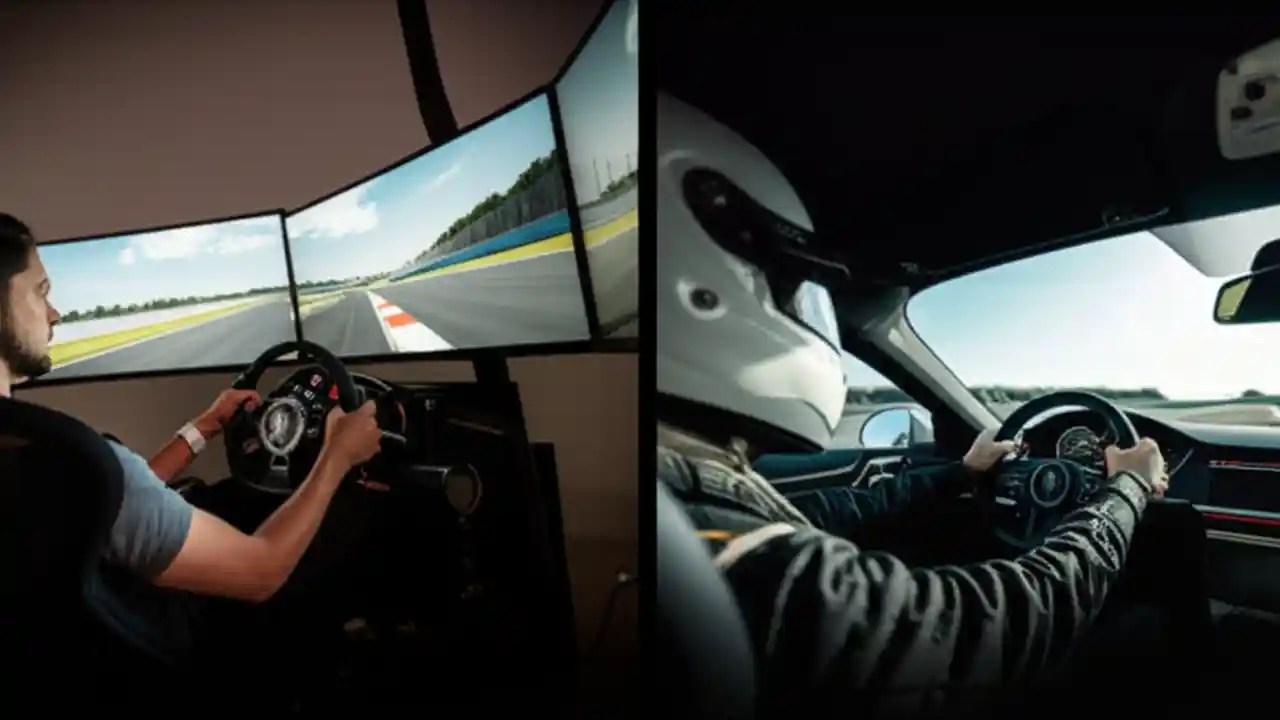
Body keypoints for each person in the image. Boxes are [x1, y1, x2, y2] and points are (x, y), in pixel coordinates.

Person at [655, 93, 1181, 718]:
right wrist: (1122, 493)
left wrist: (963, 473)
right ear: (703, 284)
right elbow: (994, 626)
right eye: (802, 285)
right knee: (1143, 631)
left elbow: (822, 512)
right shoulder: (725, 549)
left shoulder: (695, 498)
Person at [0, 213, 382, 639]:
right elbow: (260, 571)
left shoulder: (36, 454)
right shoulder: (74, 454)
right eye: (41, 292)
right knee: (355, 523)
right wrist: (337, 455)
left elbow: (103, 504)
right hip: (177, 649)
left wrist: (202, 427)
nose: (55, 314)